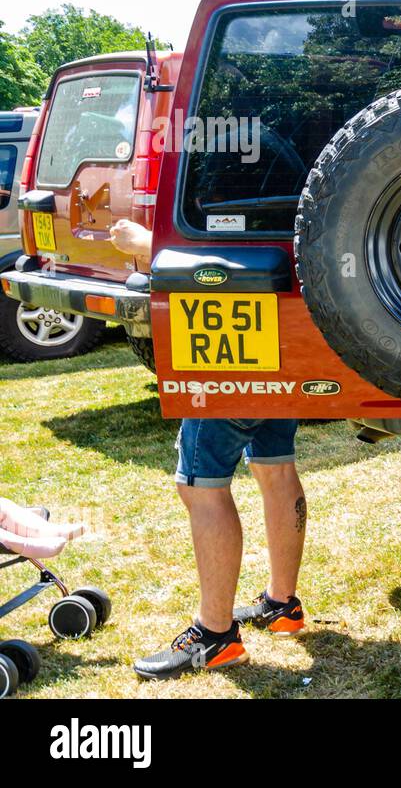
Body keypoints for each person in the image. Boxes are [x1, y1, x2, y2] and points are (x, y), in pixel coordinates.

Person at [108, 219, 308, 680]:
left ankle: (214, 636)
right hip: (289, 327)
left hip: (228, 342)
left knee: (201, 486)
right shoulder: (316, 160)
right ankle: (282, 605)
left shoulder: (223, 154)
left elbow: (216, 250)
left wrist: (148, 243)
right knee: (275, 467)